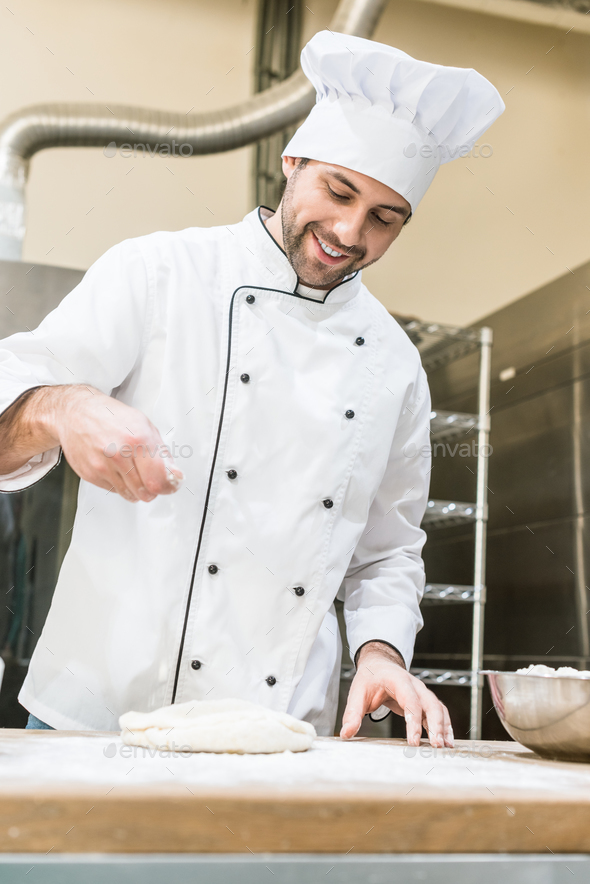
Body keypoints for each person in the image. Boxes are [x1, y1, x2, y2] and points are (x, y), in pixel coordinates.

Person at [0, 31, 503, 743]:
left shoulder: (394, 365)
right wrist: (63, 407)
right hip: (96, 715)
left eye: (384, 219)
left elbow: (389, 550)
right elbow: (10, 398)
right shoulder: (159, 272)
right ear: (292, 160)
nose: (348, 231)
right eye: (338, 190)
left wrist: (381, 650)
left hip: (279, 732)